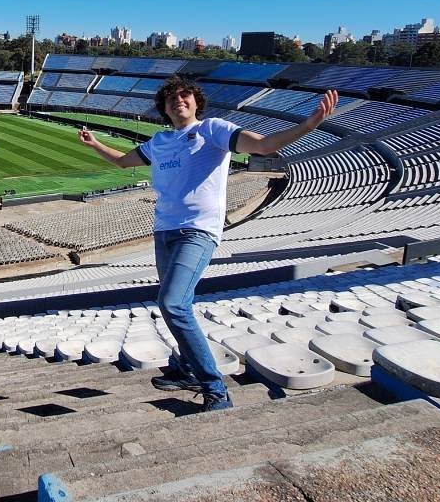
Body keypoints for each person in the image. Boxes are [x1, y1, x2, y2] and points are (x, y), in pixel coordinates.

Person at [78, 76, 338, 410]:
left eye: (185, 94)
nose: (178, 99)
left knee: (172, 304)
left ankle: (215, 387)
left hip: (198, 231)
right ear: (164, 109)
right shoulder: (159, 141)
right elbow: (122, 161)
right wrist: (95, 144)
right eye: (171, 97)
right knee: (177, 303)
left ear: (197, 102)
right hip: (165, 232)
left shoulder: (213, 130)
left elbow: (263, 146)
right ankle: (186, 367)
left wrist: (310, 124)